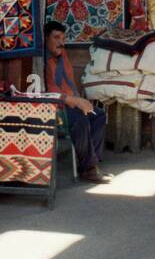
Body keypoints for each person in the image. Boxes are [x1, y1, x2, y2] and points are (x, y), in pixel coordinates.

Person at [44, 19, 110, 183]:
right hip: (55, 108)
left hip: (70, 102)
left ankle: (89, 165)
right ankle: (89, 167)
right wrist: (73, 100)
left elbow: (69, 84)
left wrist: (79, 100)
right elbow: (46, 92)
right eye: (56, 38)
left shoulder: (62, 56)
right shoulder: (41, 61)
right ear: (45, 39)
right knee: (80, 120)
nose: (61, 43)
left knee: (98, 115)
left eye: (63, 38)